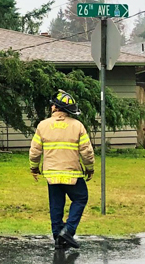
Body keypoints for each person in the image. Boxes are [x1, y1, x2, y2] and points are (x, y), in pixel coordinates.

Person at [29, 90, 95, 250]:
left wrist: (34, 167)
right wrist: (89, 168)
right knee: (80, 198)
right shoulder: (77, 126)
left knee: (56, 205)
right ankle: (68, 231)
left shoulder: (43, 126)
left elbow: (35, 150)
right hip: (72, 173)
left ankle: (58, 238)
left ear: (55, 107)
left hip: (52, 175)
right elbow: (86, 151)